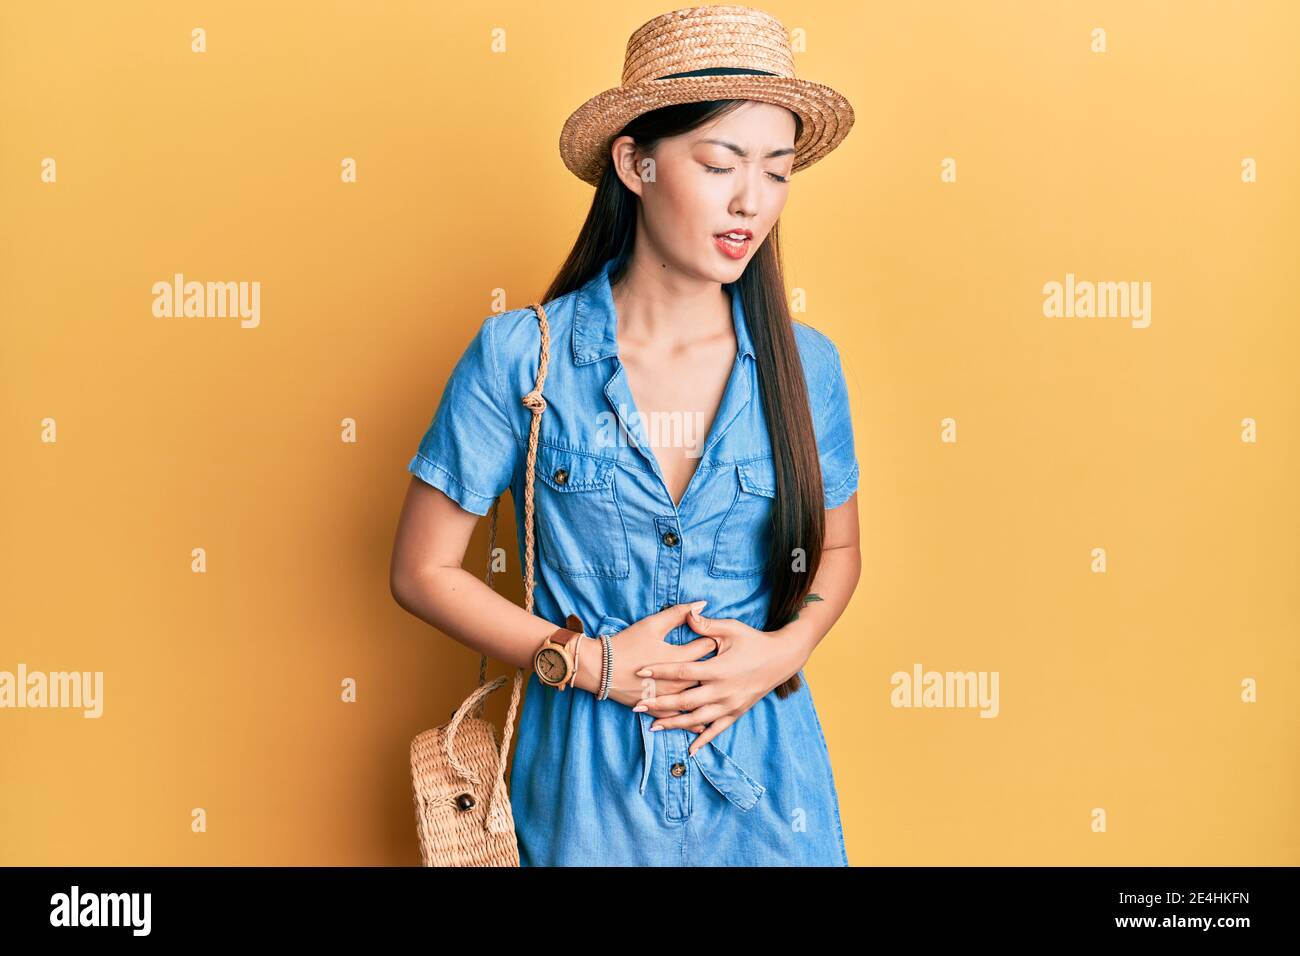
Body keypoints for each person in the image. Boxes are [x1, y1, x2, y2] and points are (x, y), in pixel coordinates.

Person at [390, 5, 861, 866]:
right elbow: (420, 570)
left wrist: (782, 652)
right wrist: (586, 661)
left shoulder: (807, 364)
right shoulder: (521, 356)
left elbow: (836, 553)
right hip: (582, 791)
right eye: (719, 162)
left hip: (768, 783)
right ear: (635, 162)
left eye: (777, 170)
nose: (750, 201)